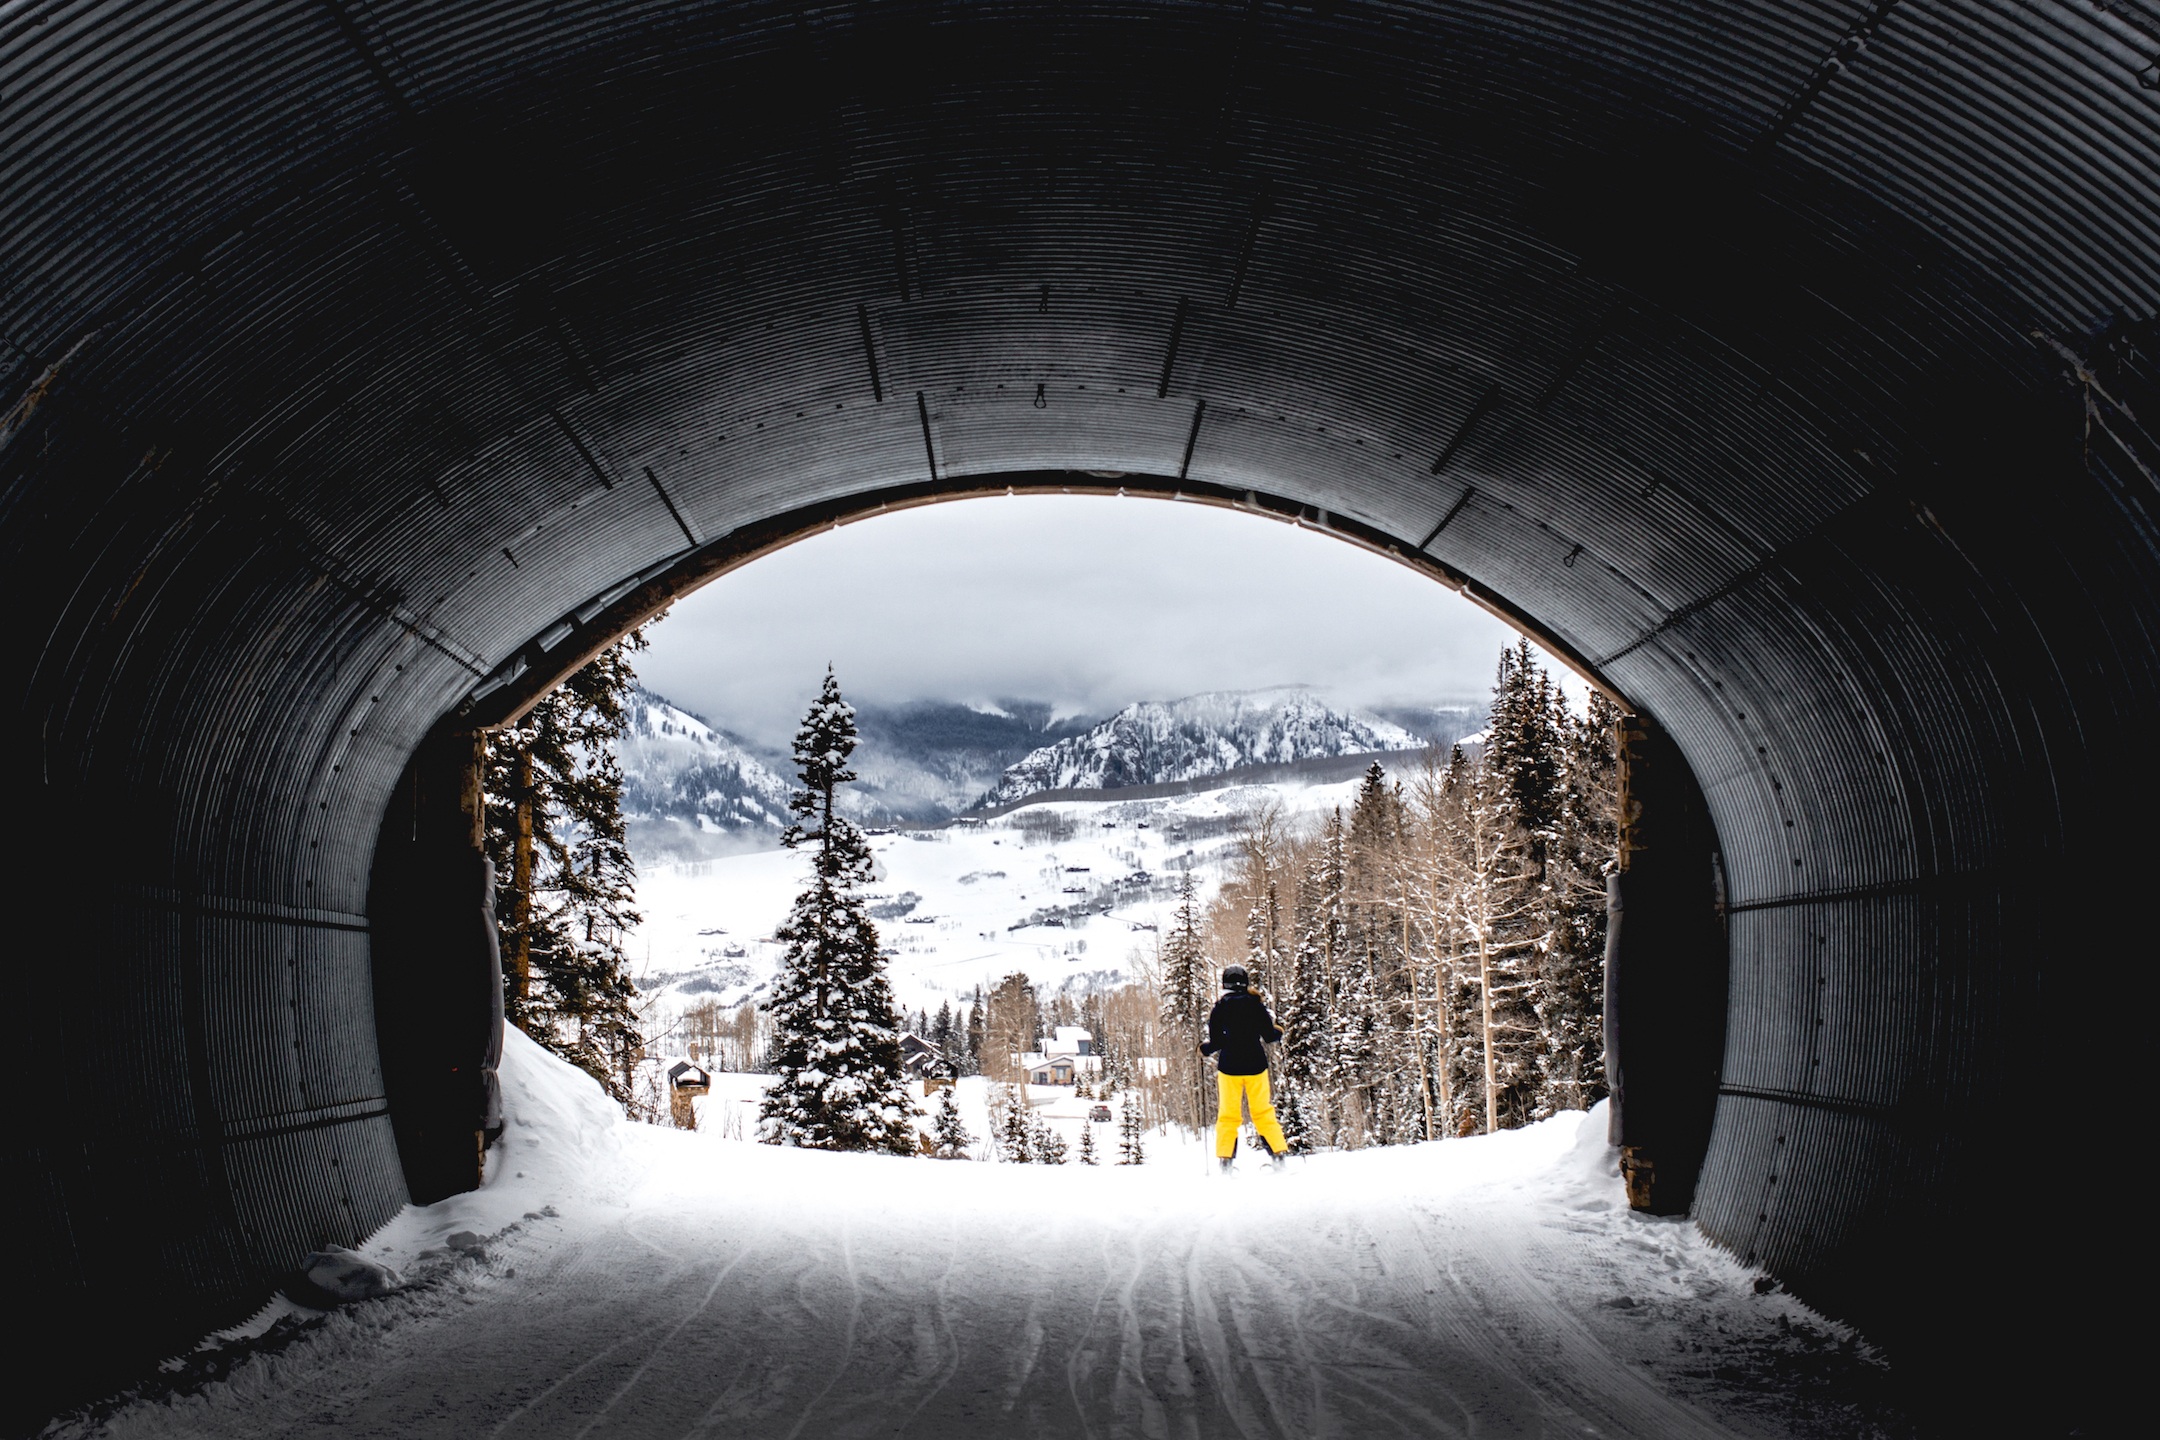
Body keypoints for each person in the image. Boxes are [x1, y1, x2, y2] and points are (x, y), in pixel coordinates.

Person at [1199, 964, 1289, 1171]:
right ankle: (1278, 1156)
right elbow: (1269, 1036)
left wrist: (1203, 1049)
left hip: (1229, 1068)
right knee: (1263, 1113)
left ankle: (1226, 1163)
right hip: (1256, 1065)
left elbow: (1216, 1042)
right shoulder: (1256, 1005)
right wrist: (1279, 1031)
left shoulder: (1220, 1007)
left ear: (1225, 984)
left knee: (1228, 1116)